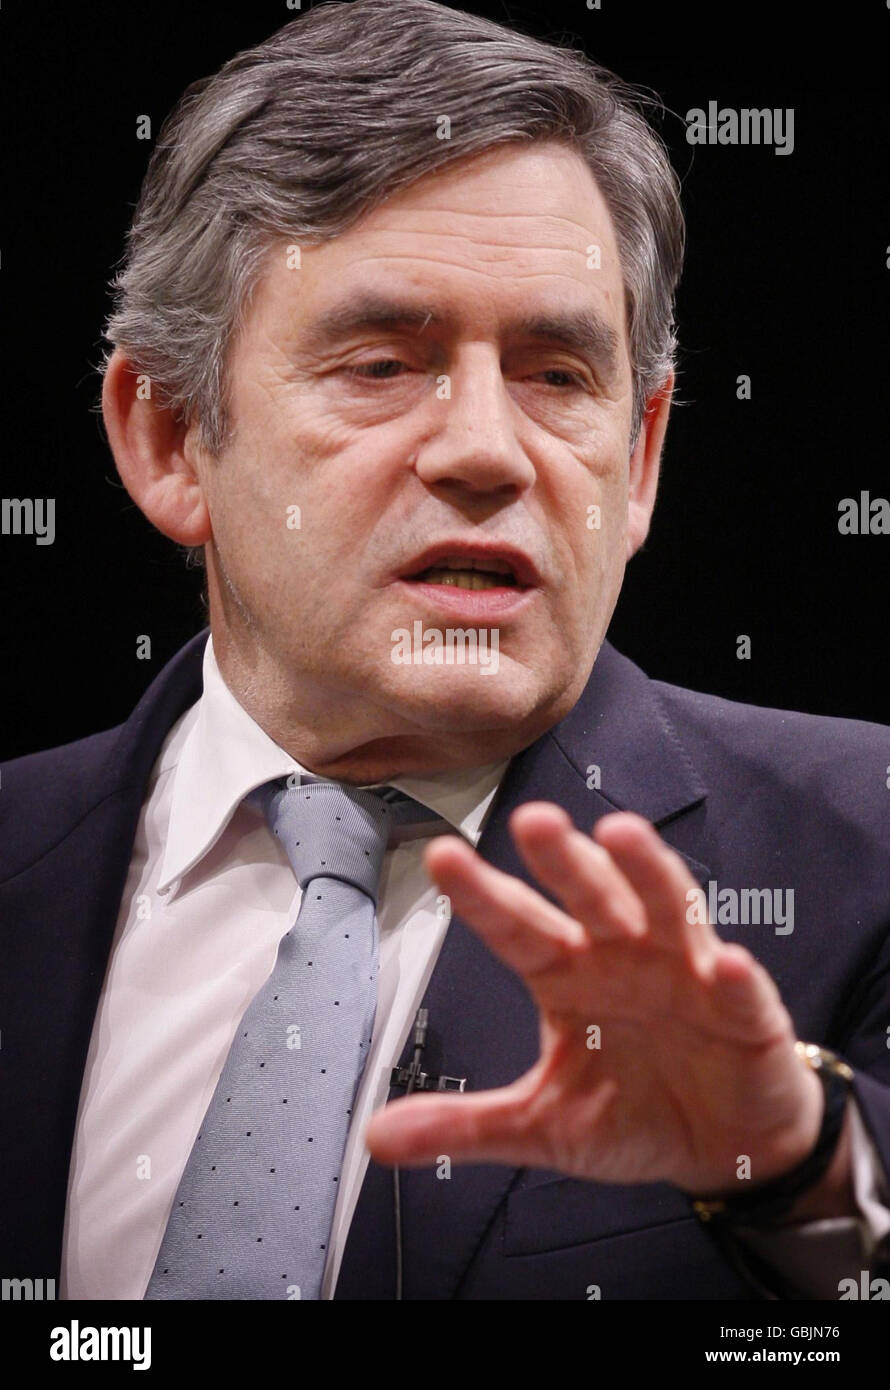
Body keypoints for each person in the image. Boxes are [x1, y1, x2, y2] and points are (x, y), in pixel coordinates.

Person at [2, 0, 888, 1302]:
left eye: (554, 375)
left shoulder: (863, 847)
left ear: (636, 463)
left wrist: (796, 1167)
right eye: (379, 363)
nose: (484, 448)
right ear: (167, 439)